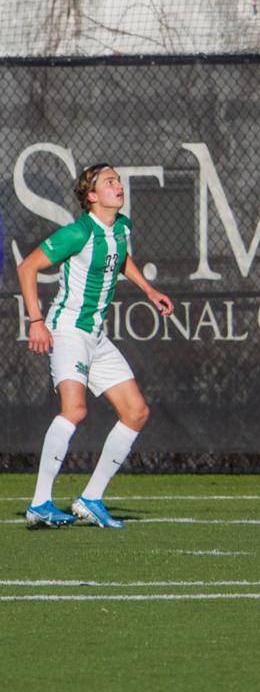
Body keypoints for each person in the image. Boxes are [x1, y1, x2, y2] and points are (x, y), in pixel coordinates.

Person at [17, 163, 174, 528]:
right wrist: (36, 322)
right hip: (68, 329)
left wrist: (149, 290)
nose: (118, 185)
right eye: (109, 182)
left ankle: (91, 499)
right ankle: (40, 504)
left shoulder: (121, 227)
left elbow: (119, 259)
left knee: (136, 412)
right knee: (74, 410)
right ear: (91, 196)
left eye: (117, 180)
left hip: (96, 335)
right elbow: (27, 268)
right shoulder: (78, 233)